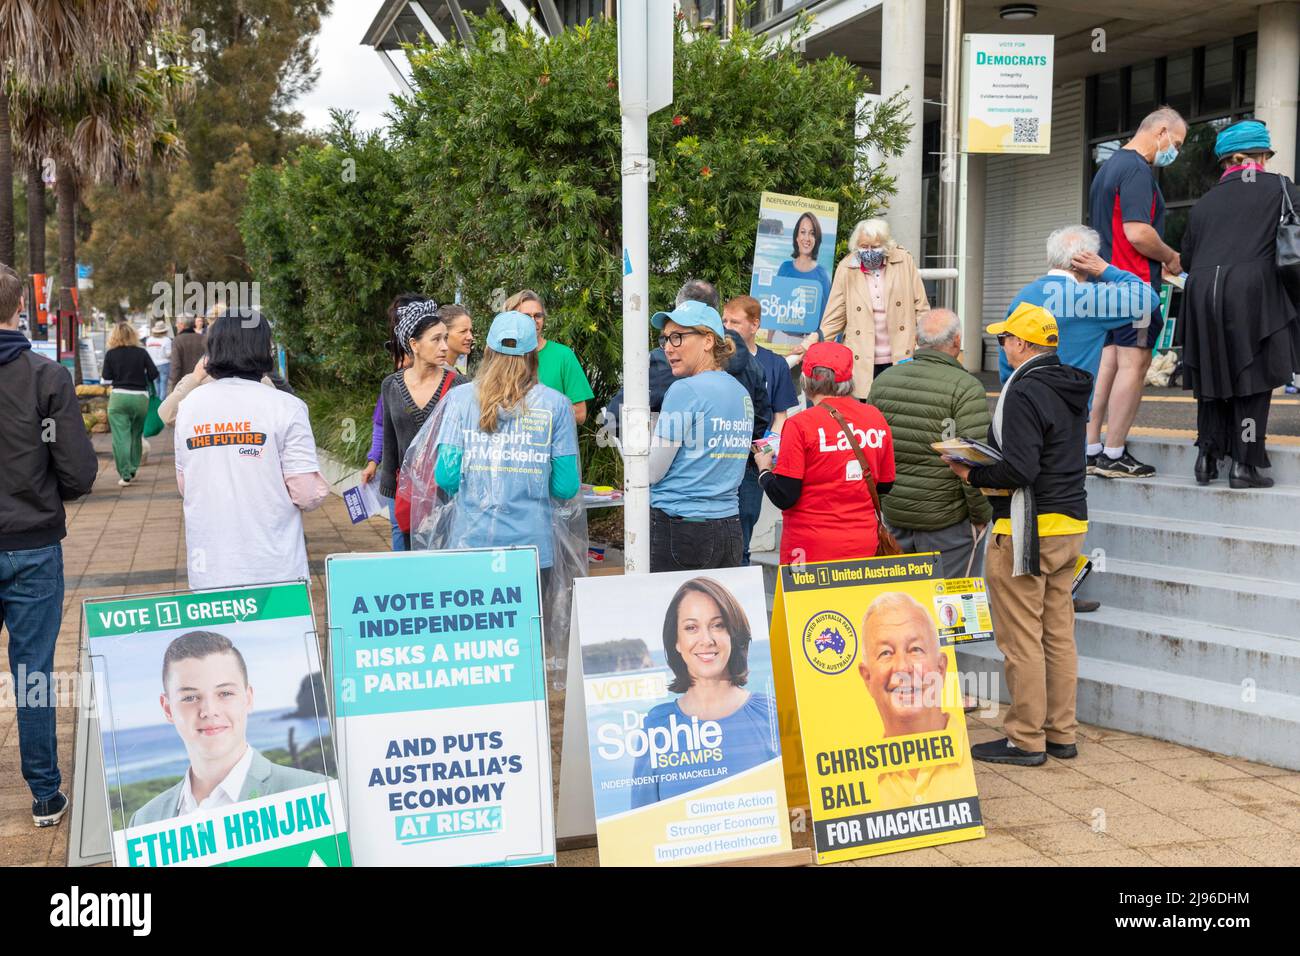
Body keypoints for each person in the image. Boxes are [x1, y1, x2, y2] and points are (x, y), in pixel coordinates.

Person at [943, 304, 1092, 766]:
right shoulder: (1070, 383)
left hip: (1025, 528)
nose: (1001, 345)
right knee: (1059, 633)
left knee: (1022, 638)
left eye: (1005, 338)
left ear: (1024, 344)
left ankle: (1026, 739)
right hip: (1069, 523)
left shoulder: (1023, 389)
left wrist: (968, 472)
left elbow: (1021, 469)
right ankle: (1061, 733)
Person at [0, 265, 98, 827]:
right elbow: (78, 469)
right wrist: (53, 491)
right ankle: (43, 793)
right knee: (33, 670)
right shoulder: (46, 377)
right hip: (32, 543)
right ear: (20, 310)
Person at [1180, 120, 1300, 489]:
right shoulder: (1280, 188)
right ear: (1262, 155)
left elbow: (1186, 258)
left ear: (1225, 162)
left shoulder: (1205, 203)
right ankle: (1244, 466)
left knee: (1211, 376)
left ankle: (1207, 457)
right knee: (1251, 377)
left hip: (1201, 292)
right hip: (1251, 290)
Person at [174, 309, 328, 591]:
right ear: (263, 349)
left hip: (210, 564)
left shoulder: (189, 407)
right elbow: (306, 493)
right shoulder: (287, 406)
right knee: (280, 634)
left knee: (216, 636)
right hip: (273, 565)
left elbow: (186, 483)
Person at [129, 631, 327, 826]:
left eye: (224, 693)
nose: (209, 711)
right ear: (167, 708)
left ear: (248, 699)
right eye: (190, 697)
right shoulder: (144, 820)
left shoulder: (313, 791)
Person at [1086, 105, 1187, 479]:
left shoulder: (1107, 169)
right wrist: (1171, 256)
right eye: (1175, 142)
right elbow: (1138, 232)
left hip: (1106, 284)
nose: (1173, 151)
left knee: (1108, 364)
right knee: (1135, 365)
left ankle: (1092, 448)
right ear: (1160, 131)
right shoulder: (1136, 170)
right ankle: (1115, 452)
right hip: (1136, 287)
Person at [631, 577, 778, 808]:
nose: (706, 640)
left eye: (718, 625)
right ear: (676, 642)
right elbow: (640, 824)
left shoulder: (771, 714)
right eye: (691, 628)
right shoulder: (657, 726)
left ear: (733, 634)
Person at [869, 309, 991, 578]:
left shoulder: (883, 381)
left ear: (916, 339)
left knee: (904, 606)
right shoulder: (966, 387)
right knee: (950, 609)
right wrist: (981, 515)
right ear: (957, 341)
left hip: (895, 514)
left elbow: (873, 450)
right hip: (947, 522)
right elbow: (972, 460)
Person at [754, 341, 893, 565]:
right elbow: (885, 485)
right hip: (862, 543)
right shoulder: (874, 417)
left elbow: (785, 496)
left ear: (806, 381)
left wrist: (764, 470)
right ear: (849, 379)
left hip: (808, 549)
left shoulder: (800, 424)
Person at [648, 300, 754, 572]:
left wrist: (630, 447)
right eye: (665, 339)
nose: (669, 347)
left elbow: (651, 471)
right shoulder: (741, 392)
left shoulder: (685, 390)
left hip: (681, 527)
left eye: (678, 337)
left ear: (708, 341)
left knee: (670, 613)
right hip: (729, 526)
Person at [859, 592, 971, 805]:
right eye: (885, 653)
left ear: (941, 668)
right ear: (867, 678)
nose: (902, 668)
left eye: (915, 649)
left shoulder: (966, 754)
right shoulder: (853, 777)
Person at [800, 218, 929, 399]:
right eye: (863, 246)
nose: (869, 252)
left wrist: (922, 347)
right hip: (863, 359)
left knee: (899, 410)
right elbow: (834, 317)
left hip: (901, 356)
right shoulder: (846, 267)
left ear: (885, 246)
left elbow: (921, 308)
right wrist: (808, 344)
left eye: (875, 247)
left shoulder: (904, 260)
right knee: (865, 410)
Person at [379, 295, 464, 550]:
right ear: (414, 344)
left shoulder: (460, 387)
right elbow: (390, 442)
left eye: (445, 339)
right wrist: (390, 492)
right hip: (407, 495)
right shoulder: (391, 385)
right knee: (407, 566)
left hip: (448, 494)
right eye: (436, 339)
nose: (444, 347)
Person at [504, 290, 593, 425]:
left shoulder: (563, 355)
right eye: (526, 316)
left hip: (551, 443)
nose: (533, 321)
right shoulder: (503, 356)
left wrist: (536, 414)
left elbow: (580, 414)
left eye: (538, 316)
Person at [101, 321, 160, 487]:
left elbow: (106, 377)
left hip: (119, 397)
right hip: (140, 398)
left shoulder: (111, 354)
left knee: (120, 437)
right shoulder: (141, 353)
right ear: (133, 335)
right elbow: (154, 374)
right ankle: (133, 467)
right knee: (136, 434)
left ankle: (125, 474)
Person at [775, 211, 833, 316]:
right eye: (803, 232)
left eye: (812, 233)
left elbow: (828, 317)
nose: (807, 238)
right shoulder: (785, 268)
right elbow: (775, 306)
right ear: (796, 237)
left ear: (816, 239)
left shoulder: (822, 275)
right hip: (782, 332)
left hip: (811, 333)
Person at [168, 314, 205, 394]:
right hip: (201, 384)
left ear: (182, 325)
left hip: (183, 386)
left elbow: (176, 366)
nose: (176, 325)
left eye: (177, 323)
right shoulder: (203, 338)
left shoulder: (177, 340)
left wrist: (173, 388)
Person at [441, 303, 475, 375]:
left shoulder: (453, 373)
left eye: (470, 331)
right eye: (463, 331)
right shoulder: (436, 375)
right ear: (444, 333)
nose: (470, 337)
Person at [144, 320, 173, 398]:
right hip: (164, 363)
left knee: (156, 383)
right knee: (164, 384)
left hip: (152, 364)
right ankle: (161, 403)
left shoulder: (149, 340)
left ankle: (157, 400)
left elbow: (147, 353)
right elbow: (168, 354)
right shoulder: (167, 340)